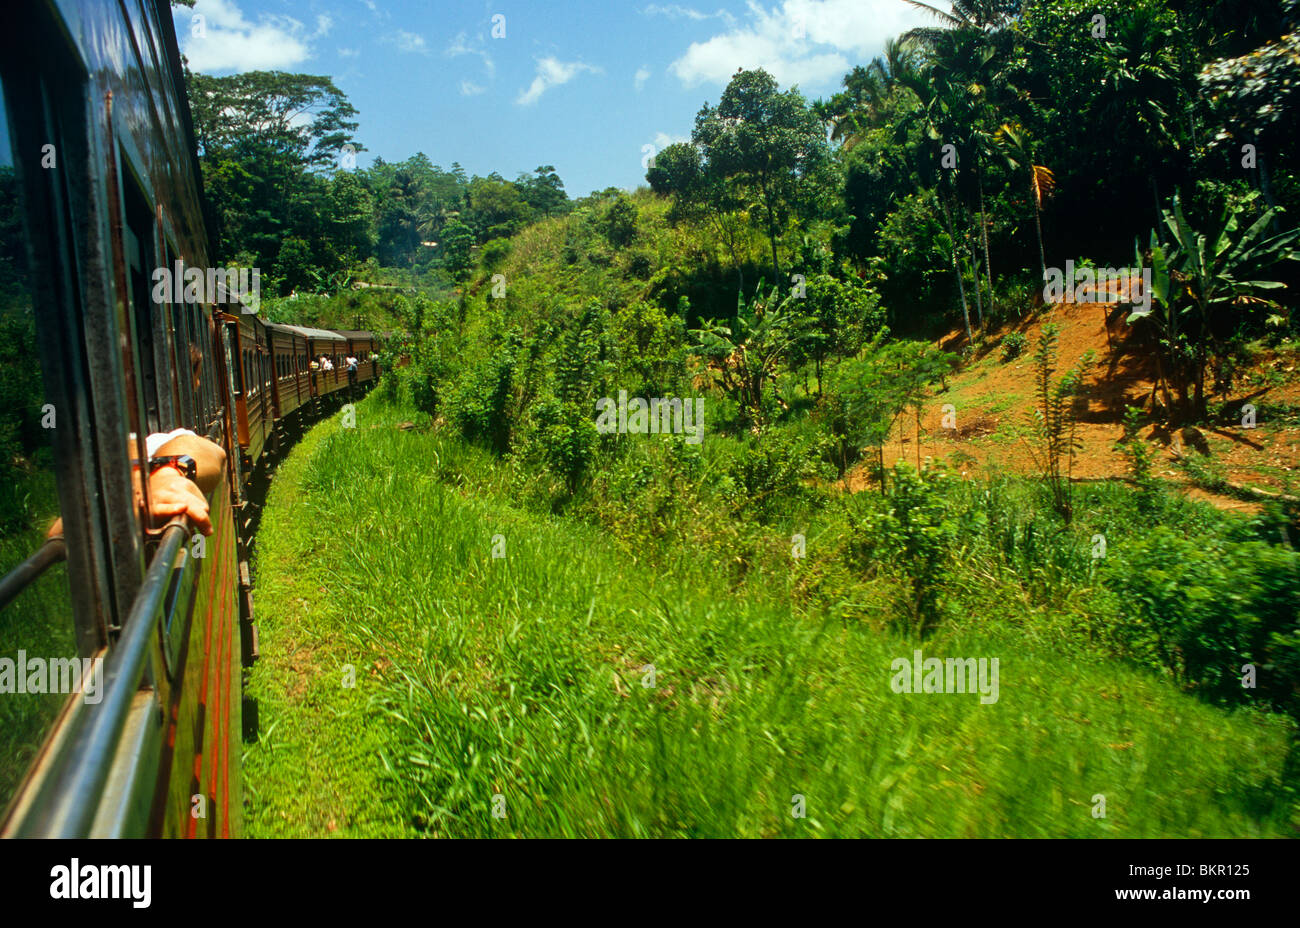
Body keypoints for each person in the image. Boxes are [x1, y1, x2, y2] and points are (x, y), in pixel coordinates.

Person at [45, 429, 226, 540]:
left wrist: (167, 474)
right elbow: (55, 534)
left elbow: (208, 450)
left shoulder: (153, 443)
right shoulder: (66, 457)